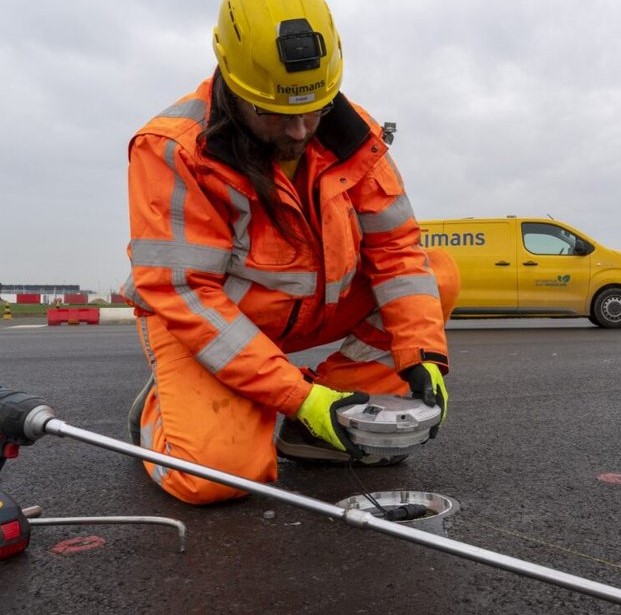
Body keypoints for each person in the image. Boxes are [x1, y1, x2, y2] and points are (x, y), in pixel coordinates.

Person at [120, 0, 459, 505]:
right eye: (275, 114)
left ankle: (317, 430)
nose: (300, 132)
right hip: (214, 324)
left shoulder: (352, 135)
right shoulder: (173, 149)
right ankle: (162, 410)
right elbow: (186, 292)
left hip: (312, 310)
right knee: (216, 478)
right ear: (234, 86)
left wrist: (423, 355)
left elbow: (397, 252)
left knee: (438, 273)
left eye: (314, 109)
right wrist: (301, 397)